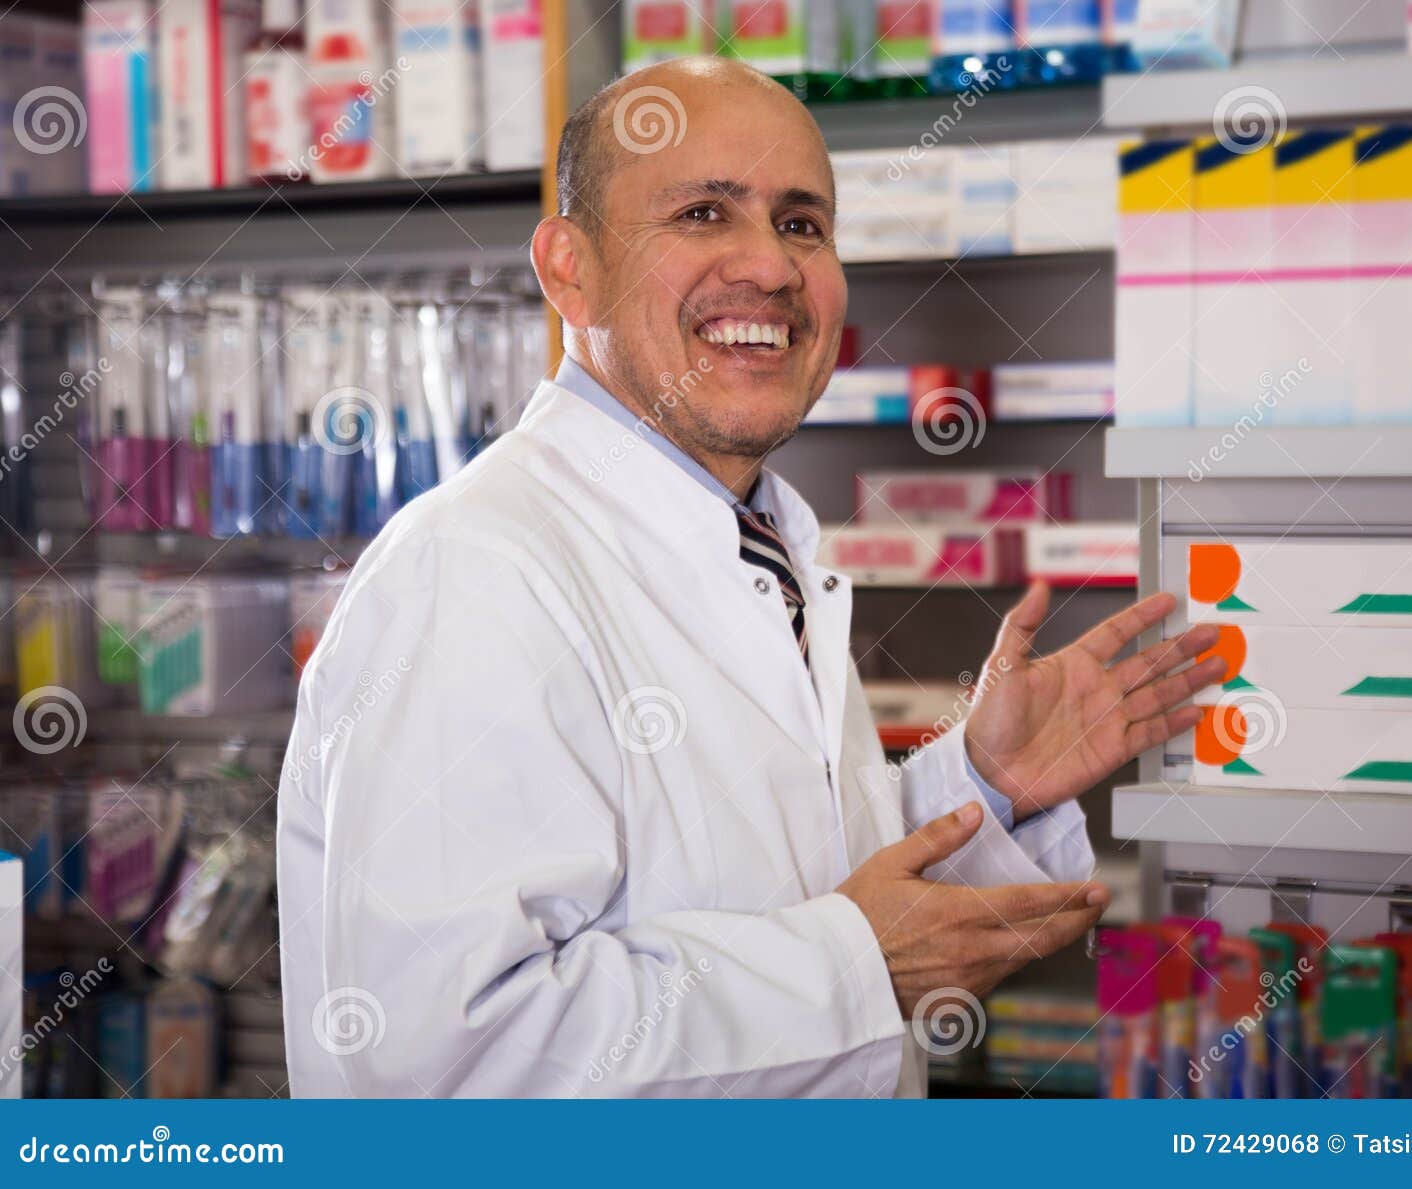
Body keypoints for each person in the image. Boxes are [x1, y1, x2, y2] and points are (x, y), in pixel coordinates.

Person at [276, 56, 1224, 1097]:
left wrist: (979, 790)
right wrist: (856, 965)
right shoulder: (473, 577)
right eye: (701, 213)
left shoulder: (757, 546)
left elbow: (785, 882)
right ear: (569, 270)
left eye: (801, 224)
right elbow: (445, 1066)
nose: (769, 269)